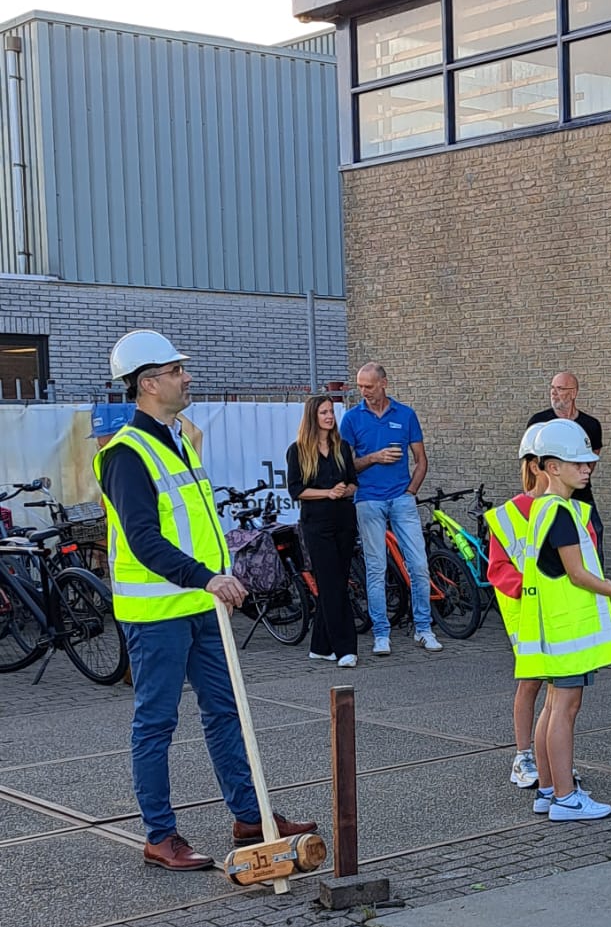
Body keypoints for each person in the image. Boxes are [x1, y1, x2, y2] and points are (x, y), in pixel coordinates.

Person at [95, 330, 317, 872]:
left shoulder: (174, 440)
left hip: (199, 606)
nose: (186, 377)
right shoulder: (127, 454)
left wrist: (218, 578)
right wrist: (207, 577)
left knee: (227, 711)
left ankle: (249, 816)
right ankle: (159, 836)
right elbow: (145, 539)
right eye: (175, 371)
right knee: (156, 723)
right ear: (148, 384)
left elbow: (195, 528)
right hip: (157, 614)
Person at [514, 419, 611, 820]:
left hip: (550, 631)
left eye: (589, 462)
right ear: (551, 467)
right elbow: (578, 575)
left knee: (553, 707)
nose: (587, 469)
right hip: (565, 633)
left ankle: (549, 790)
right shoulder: (563, 513)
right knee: (564, 710)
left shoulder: (543, 508)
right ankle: (567, 798)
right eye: (578, 463)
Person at [339, 361, 441, 656]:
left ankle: (424, 628)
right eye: (360, 386)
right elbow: (347, 465)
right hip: (368, 499)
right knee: (376, 568)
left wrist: (411, 491)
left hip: (401, 498)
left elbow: (421, 459)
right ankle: (381, 633)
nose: (363, 392)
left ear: (384, 383)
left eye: (368, 386)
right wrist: (373, 457)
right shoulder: (351, 419)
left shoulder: (406, 414)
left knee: (419, 564)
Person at [485, 424, 550, 790]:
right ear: (537, 466)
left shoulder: (569, 509)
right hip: (524, 611)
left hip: (556, 612)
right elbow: (498, 569)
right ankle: (524, 755)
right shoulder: (510, 514)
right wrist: (530, 588)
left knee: (557, 688)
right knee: (531, 683)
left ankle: (548, 758)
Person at [286, 394, 359, 669]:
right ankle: (345, 648)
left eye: (331, 412)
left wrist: (343, 489)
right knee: (331, 584)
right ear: (313, 417)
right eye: (324, 412)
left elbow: (353, 481)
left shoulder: (342, 447)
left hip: (344, 520)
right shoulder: (298, 451)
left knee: (338, 581)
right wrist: (326, 492)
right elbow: (296, 490)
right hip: (317, 524)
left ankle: (320, 646)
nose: (329, 417)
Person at [527, 370, 603, 553]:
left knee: (593, 538)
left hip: (581, 497)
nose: (554, 392)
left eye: (560, 388)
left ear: (574, 393)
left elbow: (591, 462)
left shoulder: (591, 425)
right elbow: (530, 463)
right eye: (552, 388)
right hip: (543, 496)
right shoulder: (538, 422)